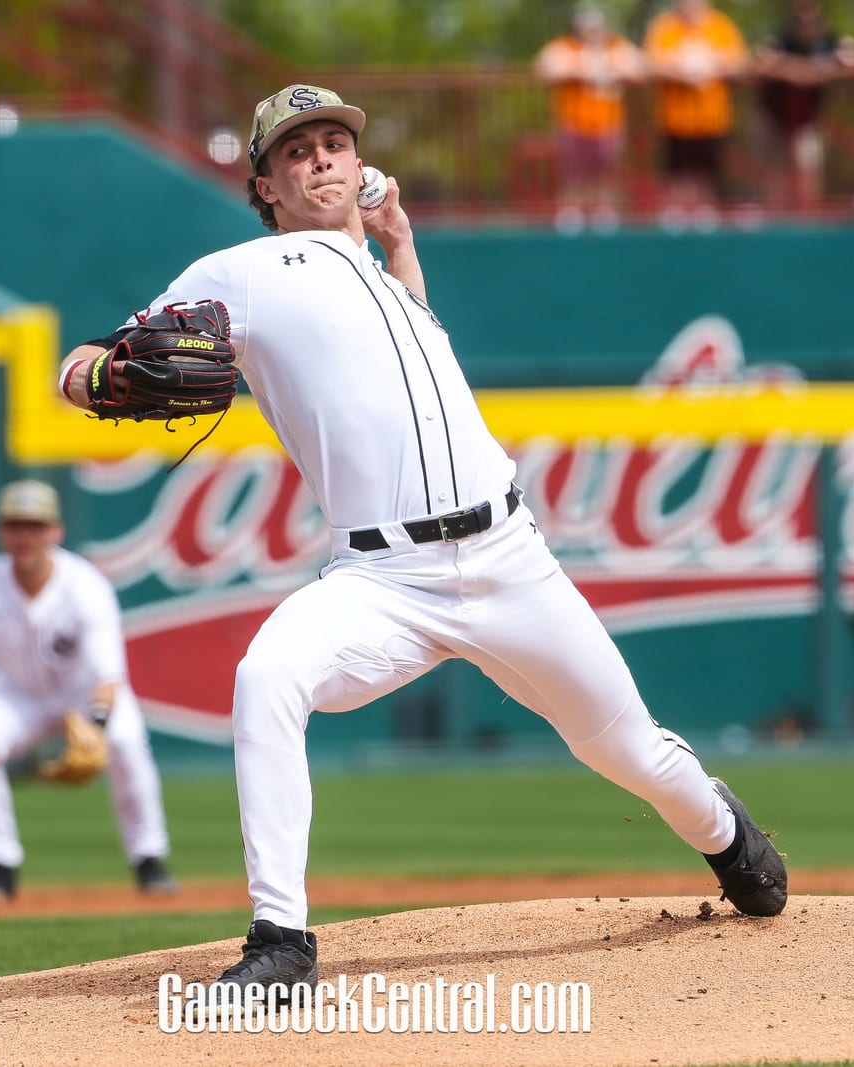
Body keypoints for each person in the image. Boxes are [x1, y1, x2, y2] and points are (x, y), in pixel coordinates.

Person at [59, 84, 786, 1006]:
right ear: (267, 187)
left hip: (511, 560)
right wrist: (94, 374)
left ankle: (724, 833)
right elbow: (83, 364)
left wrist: (398, 243)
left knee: (627, 750)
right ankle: (280, 938)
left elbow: (408, 350)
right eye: (297, 150)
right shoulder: (242, 273)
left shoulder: (387, 273)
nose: (322, 157)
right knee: (266, 675)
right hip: (381, 579)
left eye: (335, 142)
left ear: (361, 165)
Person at [0, 479, 177, 901]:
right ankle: (0, 866)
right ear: (1, 531)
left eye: (35, 525)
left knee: (125, 741)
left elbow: (109, 676)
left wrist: (96, 724)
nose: (24, 536)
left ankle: (149, 860)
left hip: (85, 693)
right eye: (15, 525)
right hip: (17, 696)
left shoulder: (85, 585)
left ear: (56, 531)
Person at [533, 3, 646, 235]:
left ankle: (604, 211)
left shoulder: (617, 48)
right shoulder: (565, 48)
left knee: (606, 168)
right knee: (573, 169)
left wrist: (612, 71)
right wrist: (578, 71)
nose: (591, 31)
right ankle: (572, 211)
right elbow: (543, 69)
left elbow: (640, 69)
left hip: (608, 122)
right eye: (587, 26)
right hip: (573, 121)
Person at [642, 0, 750, 219]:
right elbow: (651, 64)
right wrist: (682, 72)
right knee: (677, 172)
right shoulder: (664, 27)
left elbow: (741, 64)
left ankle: (705, 214)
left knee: (708, 171)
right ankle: (678, 215)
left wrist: (713, 66)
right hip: (674, 119)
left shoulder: (721, 26)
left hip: (712, 118)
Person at [753, 0, 854, 207]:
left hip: (808, 118)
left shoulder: (831, 40)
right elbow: (761, 62)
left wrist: (812, 73)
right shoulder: (782, 37)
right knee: (774, 170)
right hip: (775, 115)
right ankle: (775, 221)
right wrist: (797, 70)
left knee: (808, 167)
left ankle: (808, 219)